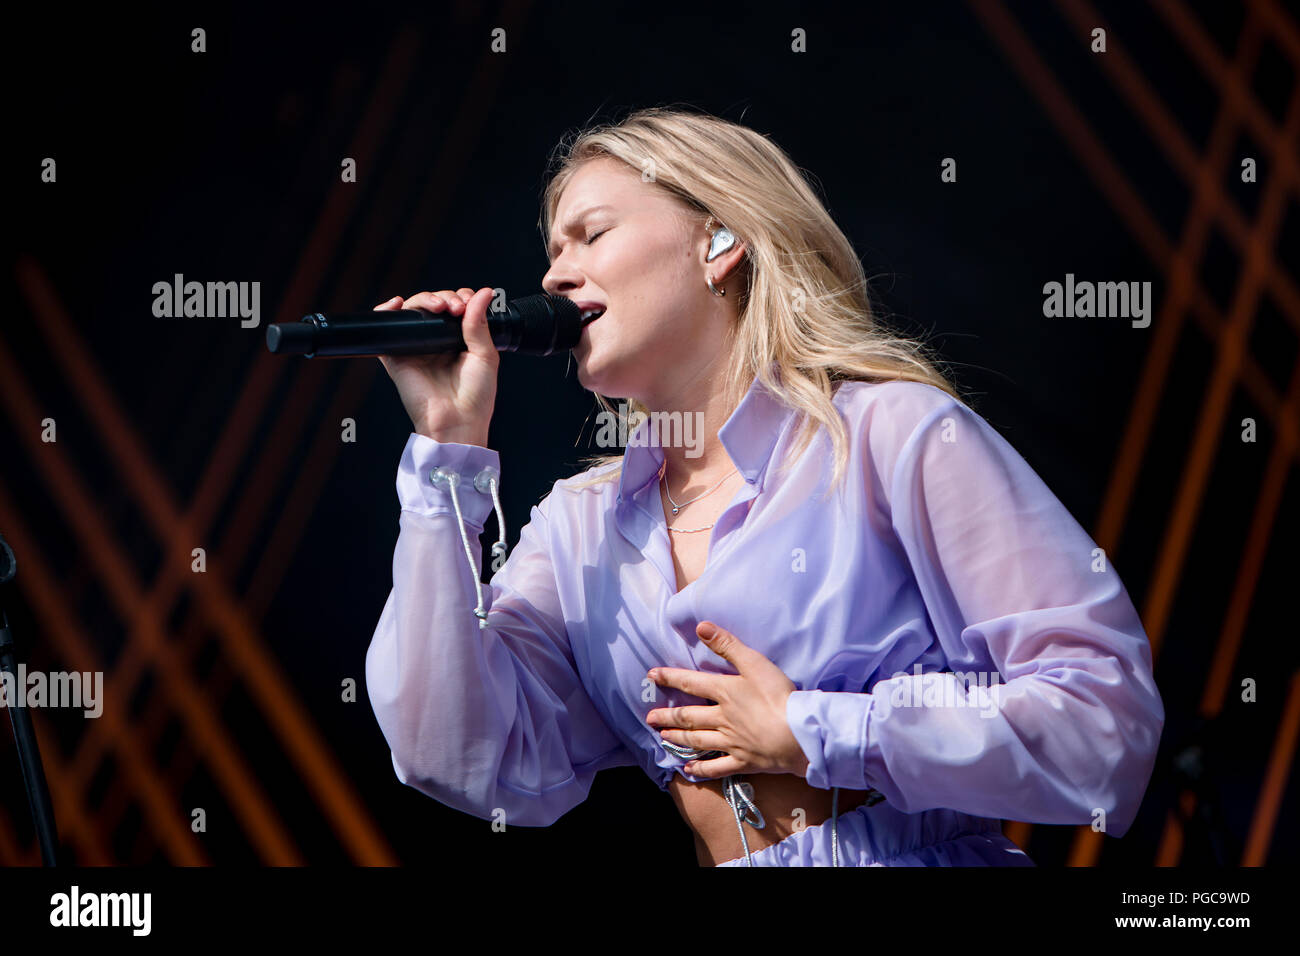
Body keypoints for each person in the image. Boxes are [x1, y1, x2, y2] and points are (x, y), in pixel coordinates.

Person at [364, 106, 1165, 867]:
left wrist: (814, 730)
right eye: (552, 249)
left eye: (591, 235)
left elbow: (1106, 727)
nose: (553, 274)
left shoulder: (890, 437)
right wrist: (446, 450)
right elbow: (453, 751)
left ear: (720, 240)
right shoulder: (579, 530)